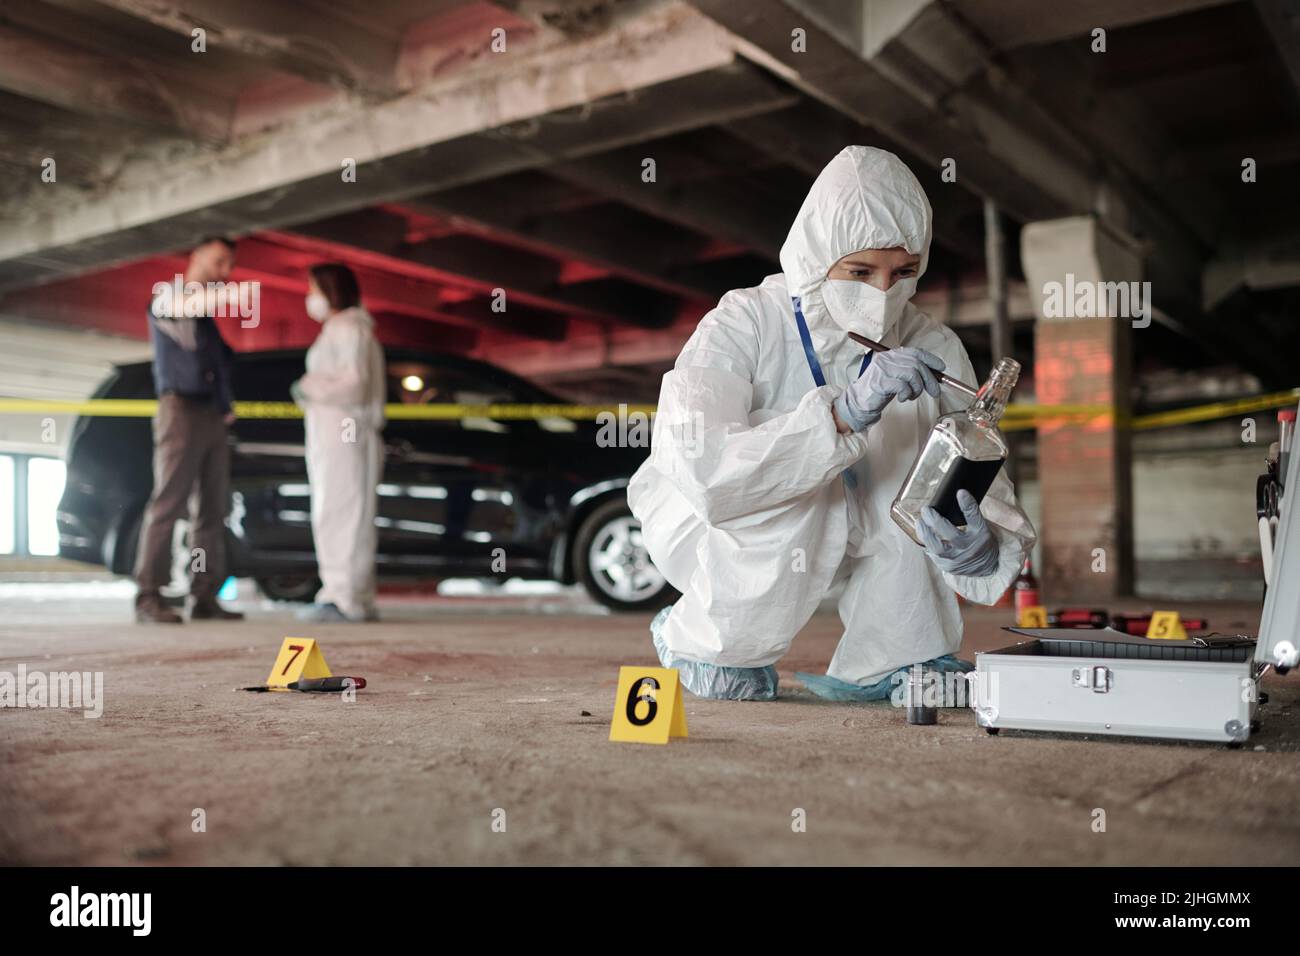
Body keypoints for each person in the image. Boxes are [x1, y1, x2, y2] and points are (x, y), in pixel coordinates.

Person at [627, 146, 1036, 701]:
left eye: (904, 272)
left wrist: (982, 542)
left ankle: (902, 651)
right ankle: (712, 642)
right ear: (819, 254)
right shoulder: (745, 320)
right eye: (860, 271)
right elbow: (702, 465)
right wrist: (840, 417)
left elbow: (978, 465)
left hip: (862, 515)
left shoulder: (932, 344)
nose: (883, 293)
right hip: (721, 520)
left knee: (916, 455)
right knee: (802, 485)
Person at [134, 236, 244, 624]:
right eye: (219, 261)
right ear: (196, 256)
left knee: (211, 509)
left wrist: (225, 408)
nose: (225, 272)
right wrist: (234, 295)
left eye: (229, 264)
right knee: (169, 502)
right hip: (179, 409)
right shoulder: (169, 298)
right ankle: (149, 595)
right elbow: (181, 305)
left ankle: (203, 595)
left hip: (212, 413)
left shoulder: (205, 319)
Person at [292, 263, 386, 623]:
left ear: (331, 290)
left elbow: (354, 384)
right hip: (342, 433)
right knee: (352, 514)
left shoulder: (347, 327)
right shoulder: (352, 328)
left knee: (339, 513)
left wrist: (308, 385)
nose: (310, 297)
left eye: (313, 289)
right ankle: (355, 597)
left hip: (343, 433)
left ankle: (342, 598)